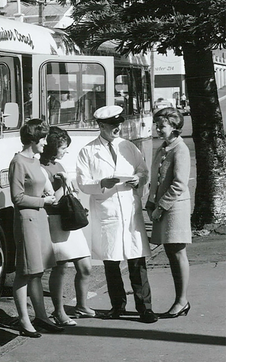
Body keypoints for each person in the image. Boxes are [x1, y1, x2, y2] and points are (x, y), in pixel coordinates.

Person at [75, 104, 158, 323]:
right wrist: (102, 182)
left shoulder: (128, 147)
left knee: (137, 260)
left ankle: (145, 308)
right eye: (112, 125)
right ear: (101, 126)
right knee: (111, 262)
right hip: (108, 210)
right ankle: (117, 306)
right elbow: (83, 182)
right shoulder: (88, 151)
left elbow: (143, 170)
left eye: (119, 124)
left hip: (129, 208)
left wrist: (138, 180)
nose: (117, 129)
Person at [9, 118, 64, 337]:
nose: (45, 143)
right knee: (25, 272)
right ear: (33, 140)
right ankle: (24, 320)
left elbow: (36, 188)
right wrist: (44, 201)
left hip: (39, 219)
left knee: (37, 271)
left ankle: (40, 316)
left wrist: (47, 195)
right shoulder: (18, 162)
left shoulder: (34, 161)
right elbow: (17, 197)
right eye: (42, 139)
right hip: (27, 220)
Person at [40, 126, 95, 326]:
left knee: (85, 266)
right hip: (55, 219)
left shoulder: (59, 166)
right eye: (62, 148)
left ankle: (82, 304)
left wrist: (68, 186)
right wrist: (64, 184)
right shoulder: (41, 168)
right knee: (61, 267)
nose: (64, 152)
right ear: (52, 147)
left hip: (69, 219)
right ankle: (59, 311)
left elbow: (69, 193)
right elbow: (50, 199)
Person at [146, 106, 196, 318]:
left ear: (175, 128)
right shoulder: (163, 147)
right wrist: (150, 202)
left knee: (177, 251)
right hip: (162, 207)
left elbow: (179, 184)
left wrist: (160, 207)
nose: (158, 129)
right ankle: (180, 300)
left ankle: (181, 300)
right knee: (171, 252)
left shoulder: (180, 149)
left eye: (162, 126)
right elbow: (155, 180)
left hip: (175, 207)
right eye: (157, 125)